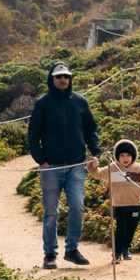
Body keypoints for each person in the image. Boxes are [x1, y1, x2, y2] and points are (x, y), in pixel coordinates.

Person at [28, 62, 101, 268]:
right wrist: (41, 160)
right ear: (51, 79)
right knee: (51, 211)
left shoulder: (80, 102)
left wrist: (95, 152)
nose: (63, 80)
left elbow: (90, 130)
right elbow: (33, 134)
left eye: (66, 77)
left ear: (70, 79)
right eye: (59, 77)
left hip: (77, 165)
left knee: (77, 206)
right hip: (51, 167)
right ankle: (50, 254)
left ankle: (72, 250)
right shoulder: (42, 104)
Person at [88, 139, 140, 263]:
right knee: (121, 228)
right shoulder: (113, 167)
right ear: (117, 156)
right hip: (119, 205)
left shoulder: (139, 168)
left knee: (131, 228)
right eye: (122, 155)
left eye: (128, 155)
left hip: (135, 204)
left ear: (133, 156)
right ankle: (116, 253)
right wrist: (92, 167)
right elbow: (99, 174)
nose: (125, 158)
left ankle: (125, 249)